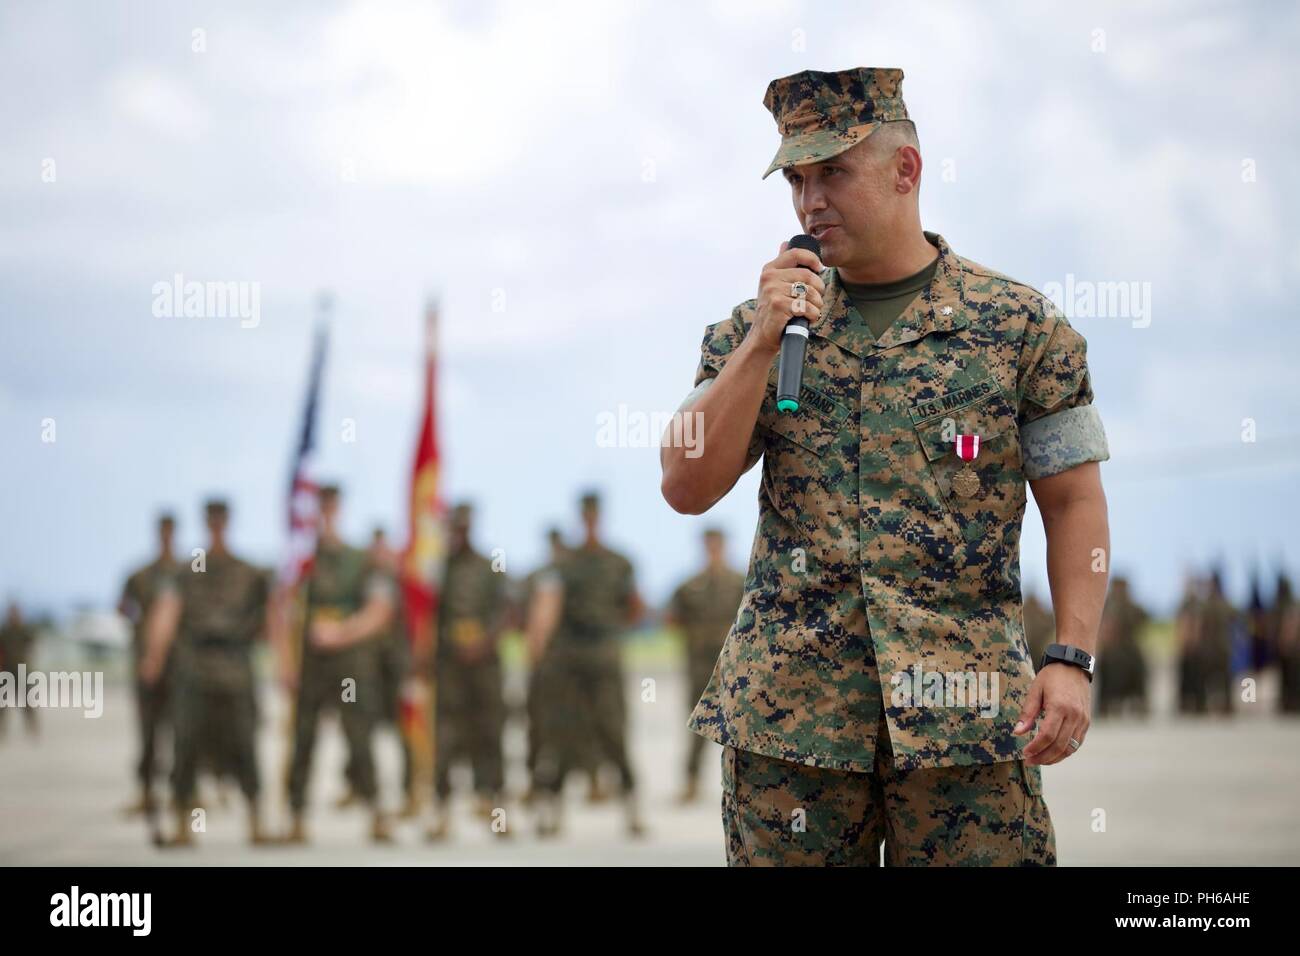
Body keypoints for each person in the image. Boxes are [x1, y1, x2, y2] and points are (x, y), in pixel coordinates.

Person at [660, 67, 1111, 866]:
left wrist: (1071, 658)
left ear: (906, 171)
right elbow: (685, 485)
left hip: (965, 728)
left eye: (832, 172)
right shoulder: (758, 329)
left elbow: (1073, 500)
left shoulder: (1019, 327)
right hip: (791, 730)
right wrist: (763, 346)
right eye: (796, 180)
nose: (809, 203)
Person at [141, 499, 271, 846]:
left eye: (220, 519)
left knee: (245, 746)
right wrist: (154, 659)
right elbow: (166, 612)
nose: (216, 525)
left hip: (235, 669)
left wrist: (285, 661)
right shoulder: (185, 571)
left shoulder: (249, 572)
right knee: (186, 747)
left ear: (227, 522)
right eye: (212, 519)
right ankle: (184, 824)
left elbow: (272, 619)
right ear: (206, 522)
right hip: (195, 670)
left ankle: (256, 821)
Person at [282, 484, 395, 844]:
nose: (326, 514)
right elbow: (281, 610)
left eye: (331, 506)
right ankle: (296, 817)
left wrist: (340, 633)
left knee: (359, 737)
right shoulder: (302, 562)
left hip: (350, 666)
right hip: (311, 666)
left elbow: (380, 611)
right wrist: (285, 660)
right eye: (320, 507)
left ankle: (377, 812)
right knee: (303, 739)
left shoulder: (360, 559)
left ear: (340, 509)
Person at [531, 491, 645, 837]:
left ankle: (631, 810)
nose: (590, 520)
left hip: (604, 659)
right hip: (569, 662)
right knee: (563, 734)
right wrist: (537, 650)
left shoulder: (619, 562)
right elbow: (547, 610)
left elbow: (635, 606)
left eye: (594, 514)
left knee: (613, 732)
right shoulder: (564, 565)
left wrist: (611, 631)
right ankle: (551, 813)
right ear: (581, 517)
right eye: (586, 515)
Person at [427, 502, 509, 840]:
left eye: (462, 528)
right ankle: (441, 813)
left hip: (484, 666)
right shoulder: (437, 569)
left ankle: (495, 809)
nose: (457, 534)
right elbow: (428, 615)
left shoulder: (490, 566)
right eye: (453, 528)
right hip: (449, 665)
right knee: (446, 739)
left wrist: (483, 642)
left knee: (489, 735)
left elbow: (505, 612)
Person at [665, 527, 744, 802]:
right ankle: (691, 781)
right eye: (709, 545)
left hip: (733, 666)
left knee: (737, 727)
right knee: (698, 725)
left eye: (716, 545)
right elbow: (672, 620)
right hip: (699, 665)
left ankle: (740, 785)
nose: (713, 550)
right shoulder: (689, 586)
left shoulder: (739, 583)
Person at [118, 512, 181, 814]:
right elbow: (122, 607)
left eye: (171, 530)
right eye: (164, 530)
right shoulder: (140, 575)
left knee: (184, 732)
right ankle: (146, 792)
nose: (167, 536)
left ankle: (185, 794)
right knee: (148, 732)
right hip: (147, 664)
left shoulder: (187, 572)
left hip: (181, 666)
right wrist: (142, 629)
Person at [1094, 576, 1149, 717]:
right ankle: (1106, 703)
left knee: (1138, 661)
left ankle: (1139, 701)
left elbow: (1143, 618)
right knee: (1111, 662)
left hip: (1129, 647)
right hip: (1111, 648)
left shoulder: (1130, 605)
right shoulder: (1106, 604)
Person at [0, 601, 39, 739]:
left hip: (22, 670)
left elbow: (32, 644)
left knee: (27, 701)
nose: (13, 616)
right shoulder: (5, 631)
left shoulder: (24, 630)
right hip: (7, 670)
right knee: (2, 702)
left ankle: (33, 728)